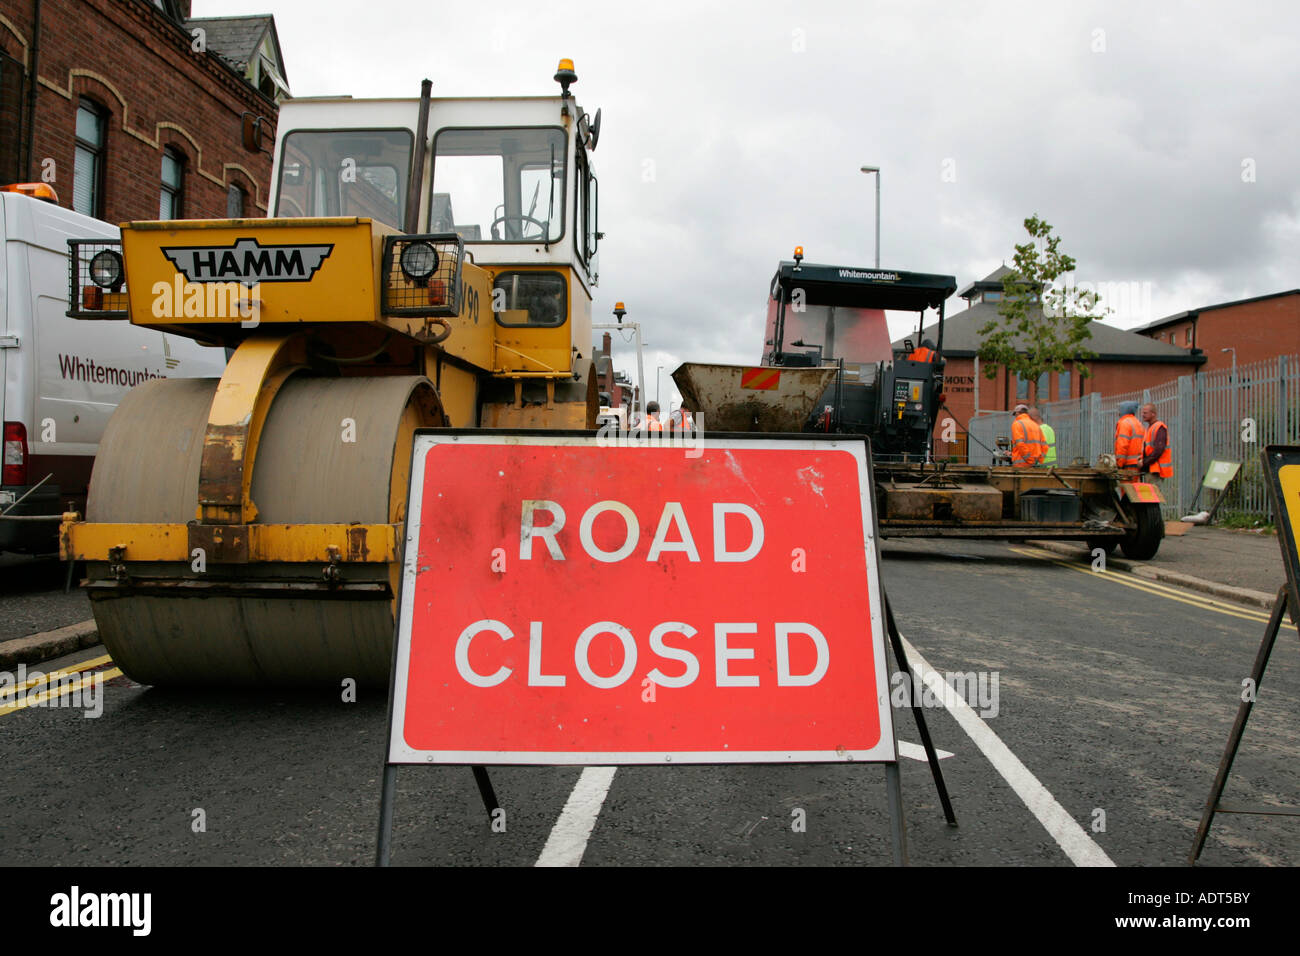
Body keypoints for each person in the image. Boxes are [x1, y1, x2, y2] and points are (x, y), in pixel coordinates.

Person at [1139, 402, 1173, 483]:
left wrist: (1144, 462)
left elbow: (1158, 450)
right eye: (1142, 412)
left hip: (1155, 471)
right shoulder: (1151, 428)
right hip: (1151, 469)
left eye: (1145, 413)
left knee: (1153, 495)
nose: (1142, 415)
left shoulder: (1159, 427)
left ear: (1153, 414)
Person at [1010, 403, 1045, 467]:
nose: (1015, 416)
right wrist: (1039, 460)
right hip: (1036, 464)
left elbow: (1020, 444)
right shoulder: (1036, 425)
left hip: (1021, 464)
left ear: (1017, 413)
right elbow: (1044, 446)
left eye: (1014, 414)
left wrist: (1029, 459)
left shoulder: (1017, 424)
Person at [1113, 400, 1143, 470]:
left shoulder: (1124, 423)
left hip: (1127, 465)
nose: (1119, 412)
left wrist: (1119, 464)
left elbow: (1122, 445)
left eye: (1120, 409)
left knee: (1126, 481)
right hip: (1137, 464)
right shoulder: (1138, 423)